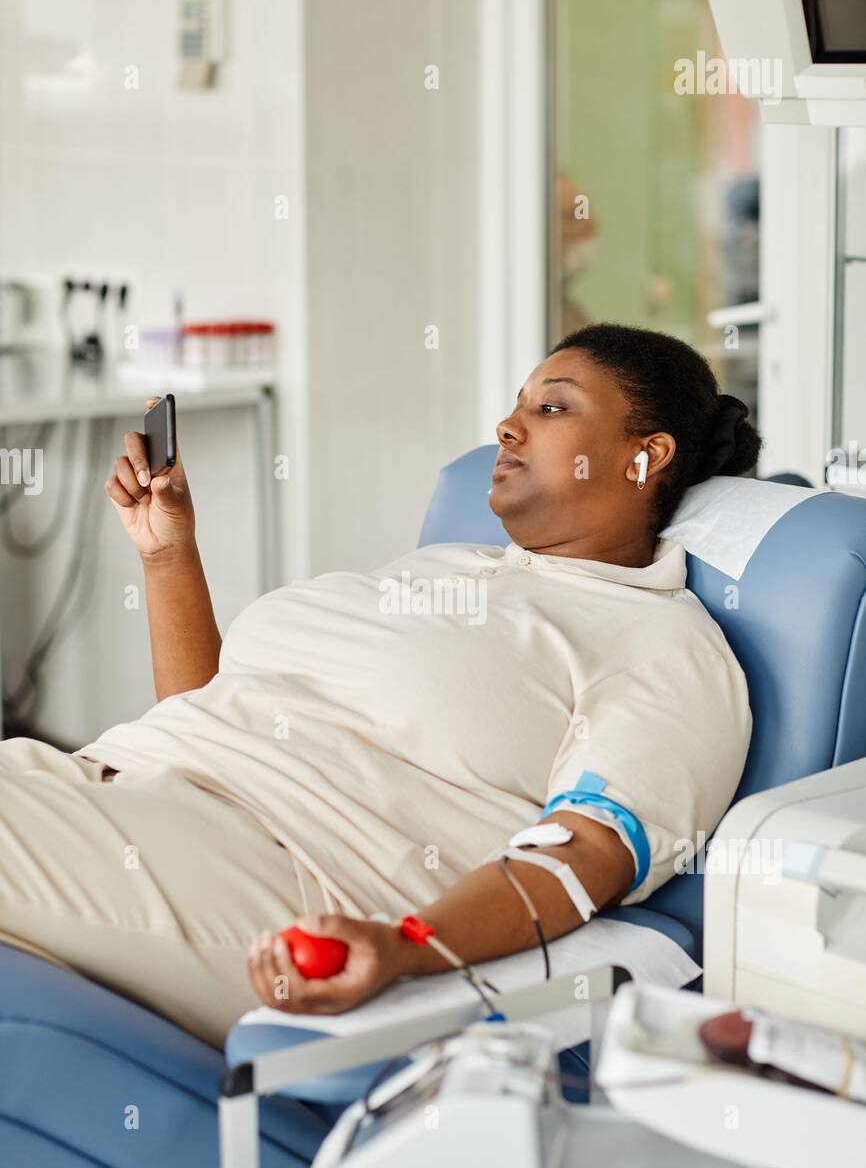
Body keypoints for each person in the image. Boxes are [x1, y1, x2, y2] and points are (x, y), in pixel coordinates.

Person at [0, 324, 758, 1048]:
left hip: (279, 875)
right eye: (516, 403)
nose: (506, 426)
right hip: (119, 791)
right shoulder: (443, 567)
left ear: (644, 456)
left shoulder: (662, 642)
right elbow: (209, 711)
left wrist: (409, 946)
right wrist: (169, 556)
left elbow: (586, 852)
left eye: (550, 407)